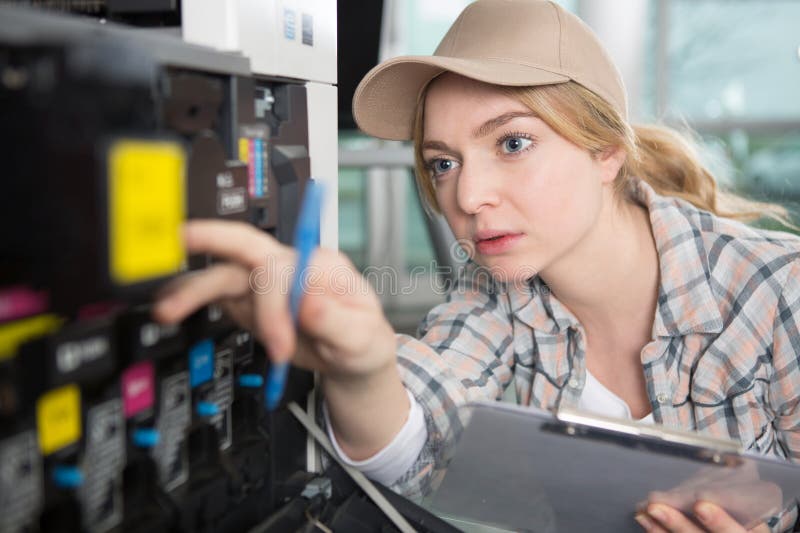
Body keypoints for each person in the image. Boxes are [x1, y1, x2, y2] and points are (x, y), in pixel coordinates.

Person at [153, 1, 800, 531]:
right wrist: (364, 363)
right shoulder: (500, 296)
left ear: (606, 152)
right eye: (443, 162)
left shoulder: (779, 291)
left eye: (512, 143)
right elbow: (417, 439)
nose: (466, 197)